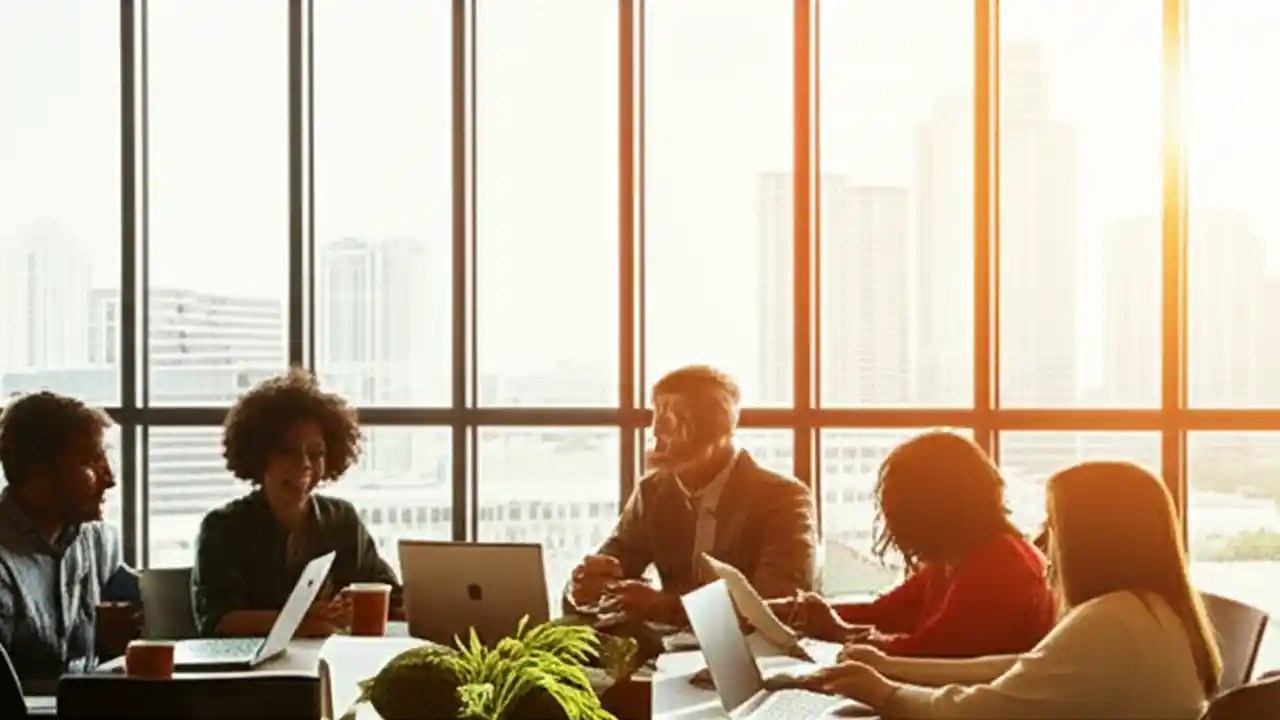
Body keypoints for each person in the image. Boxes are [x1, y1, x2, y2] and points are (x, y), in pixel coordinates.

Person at [792, 461, 1222, 719]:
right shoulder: (1148, 610)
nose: (1041, 539)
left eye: (1052, 525)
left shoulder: (1110, 621)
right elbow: (1022, 668)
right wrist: (891, 666)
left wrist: (882, 691)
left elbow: (978, 712)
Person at [565, 365, 817, 625]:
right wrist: (585, 586)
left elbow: (776, 609)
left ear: (717, 431)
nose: (656, 437)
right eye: (657, 419)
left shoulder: (783, 499)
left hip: (762, 659)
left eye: (673, 422)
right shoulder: (653, 492)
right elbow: (610, 568)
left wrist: (665, 607)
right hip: (665, 658)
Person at [772, 431, 1055, 658]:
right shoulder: (956, 558)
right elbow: (882, 615)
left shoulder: (1000, 566)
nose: (892, 525)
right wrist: (797, 614)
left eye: (900, 508)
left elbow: (928, 655)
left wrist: (839, 632)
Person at [191, 369, 401, 638]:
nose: (304, 464)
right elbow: (218, 621)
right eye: (287, 451)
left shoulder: (341, 519)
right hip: (251, 675)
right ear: (259, 456)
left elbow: (388, 595)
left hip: (329, 662)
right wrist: (307, 621)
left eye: (316, 453)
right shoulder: (223, 527)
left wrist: (354, 604)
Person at [0, 391, 141, 686]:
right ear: (39, 476)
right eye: (90, 461)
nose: (110, 478)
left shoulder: (101, 543)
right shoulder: (5, 561)